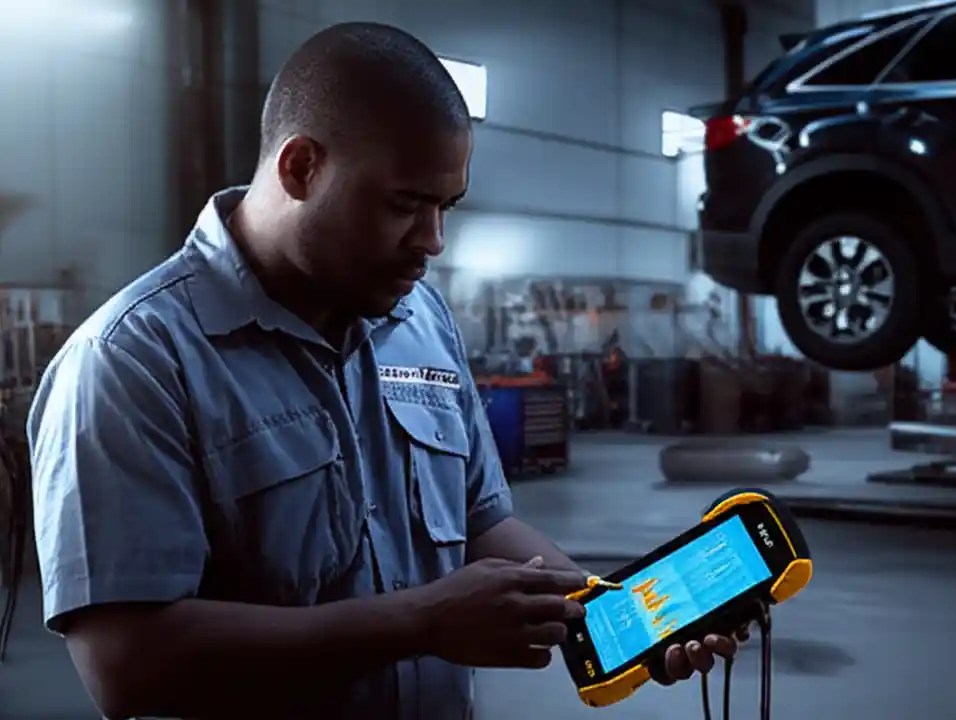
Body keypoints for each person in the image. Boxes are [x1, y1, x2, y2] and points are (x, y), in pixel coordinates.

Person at [26, 22, 740, 720]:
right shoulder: (132, 363)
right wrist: (416, 623)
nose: (432, 241)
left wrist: (617, 612)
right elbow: (125, 666)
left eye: (446, 206)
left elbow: (480, 521)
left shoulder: (420, 321)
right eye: (405, 204)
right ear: (301, 167)